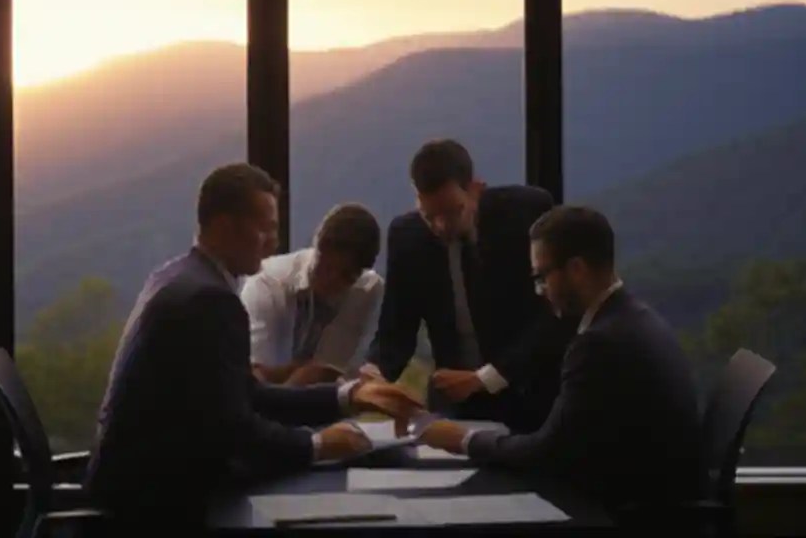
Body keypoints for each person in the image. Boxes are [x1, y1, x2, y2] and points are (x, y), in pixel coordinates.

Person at [84, 163, 423, 523]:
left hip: (139, 480)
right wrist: (318, 445)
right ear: (225, 227)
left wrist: (348, 396)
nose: (275, 242)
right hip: (155, 501)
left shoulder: (179, 276)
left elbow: (246, 393)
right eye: (267, 228)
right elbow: (233, 429)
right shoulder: (209, 300)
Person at [418, 205, 702, 513]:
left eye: (542, 276)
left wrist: (464, 439)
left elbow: (548, 453)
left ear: (577, 269)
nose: (540, 290)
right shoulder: (637, 319)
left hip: (625, 514)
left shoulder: (599, 344)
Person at [363, 139, 574, 431]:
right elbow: (396, 329)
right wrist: (373, 375)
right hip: (457, 405)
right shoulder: (407, 238)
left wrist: (484, 378)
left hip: (533, 395)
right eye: (429, 215)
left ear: (475, 190)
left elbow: (555, 314)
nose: (441, 226)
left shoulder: (525, 214)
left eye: (453, 211)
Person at [241, 203, 384, 386]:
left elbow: (328, 369)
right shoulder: (268, 282)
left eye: (345, 276)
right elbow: (257, 375)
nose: (330, 280)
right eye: (325, 268)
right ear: (316, 248)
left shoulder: (366, 290)